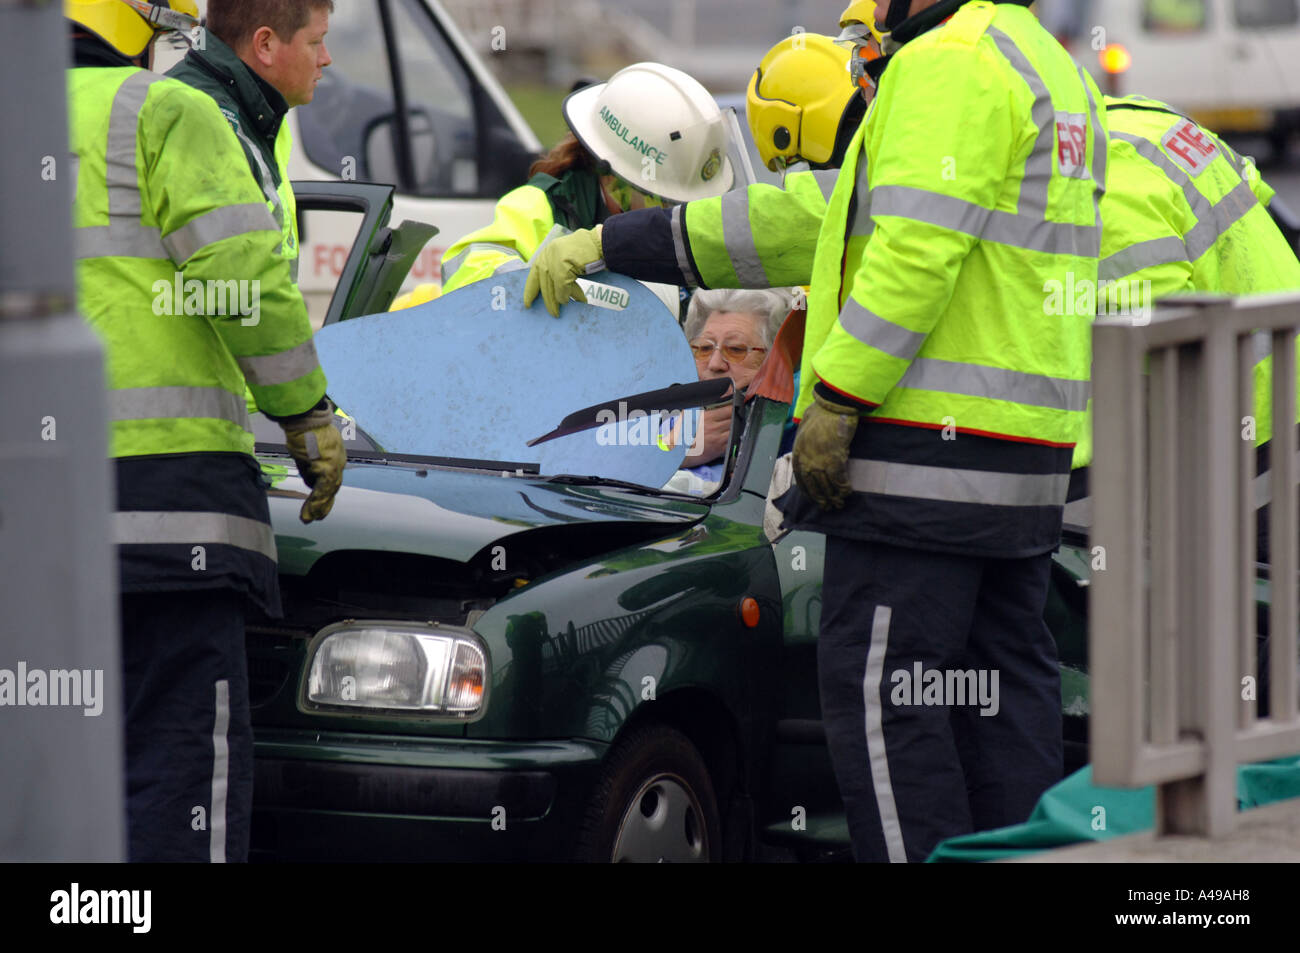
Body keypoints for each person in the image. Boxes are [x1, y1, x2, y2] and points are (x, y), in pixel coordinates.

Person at [525, 0, 1106, 862]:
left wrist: (836, 397)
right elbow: (800, 222)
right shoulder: (1048, 65)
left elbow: (914, 250)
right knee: (1000, 704)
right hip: (1019, 466)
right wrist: (614, 241)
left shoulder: (945, 63)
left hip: (918, 465)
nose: (866, 44)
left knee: (886, 703)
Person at [66, 0, 345, 862]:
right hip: (168, 515)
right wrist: (306, 410)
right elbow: (240, 278)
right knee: (179, 771)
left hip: (30, 523)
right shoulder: (162, 109)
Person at [435, 61, 735, 307]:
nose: (675, 212)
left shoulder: (700, 224)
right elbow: (466, 273)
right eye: (664, 198)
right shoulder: (540, 206)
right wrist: (529, 281)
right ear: (612, 176)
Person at [168, 0, 333, 286]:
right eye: (315, 42)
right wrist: (292, 332)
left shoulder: (252, 113)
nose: (326, 58)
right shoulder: (209, 123)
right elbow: (236, 292)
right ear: (265, 44)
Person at [663, 289, 791, 495]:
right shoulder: (674, 409)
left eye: (736, 350)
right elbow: (625, 463)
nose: (714, 364)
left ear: (775, 356)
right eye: (704, 348)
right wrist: (678, 451)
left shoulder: (788, 425)